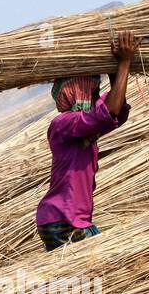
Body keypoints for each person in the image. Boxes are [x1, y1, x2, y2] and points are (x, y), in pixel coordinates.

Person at [35, 30, 141, 252]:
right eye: (92, 93)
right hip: (60, 219)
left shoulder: (86, 128)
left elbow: (117, 111)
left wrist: (116, 68)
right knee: (101, 260)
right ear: (76, 94)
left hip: (73, 219)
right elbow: (109, 111)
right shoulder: (63, 124)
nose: (96, 99)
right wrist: (125, 62)